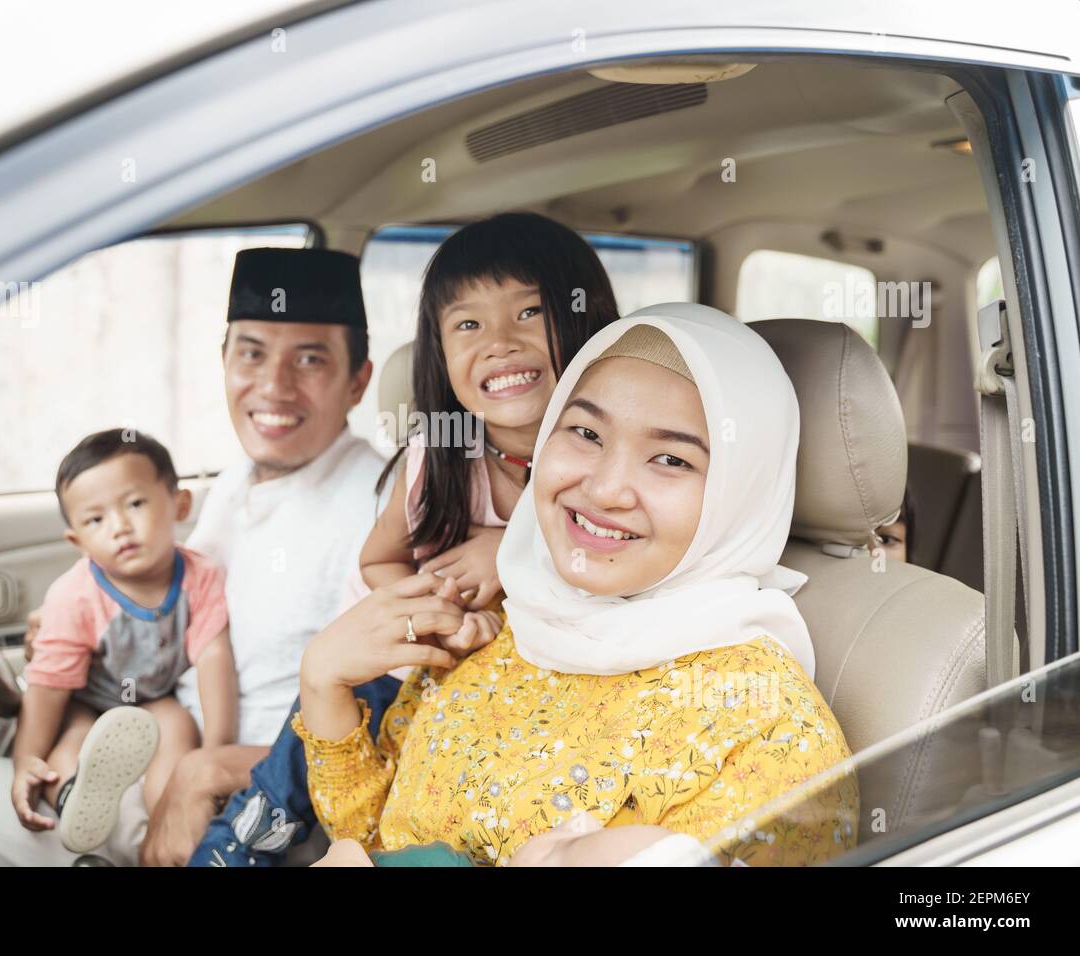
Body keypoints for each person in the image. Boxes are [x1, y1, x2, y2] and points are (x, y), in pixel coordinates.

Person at [0, 246, 388, 867]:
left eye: (309, 359)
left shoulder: (380, 512)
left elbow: (389, 730)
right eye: (251, 353)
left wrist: (206, 770)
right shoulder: (244, 476)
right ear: (224, 361)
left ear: (358, 380)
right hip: (126, 714)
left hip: (210, 796)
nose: (273, 385)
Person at [294, 304, 859, 866]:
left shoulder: (770, 733)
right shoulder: (501, 615)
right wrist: (322, 683)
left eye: (670, 459)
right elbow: (379, 842)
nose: (606, 488)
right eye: (586, 432)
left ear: (742, 490)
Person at [187, 212, 621, 866]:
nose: (499, 342)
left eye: (529, 313)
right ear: (440, 355)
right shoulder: (433, 462)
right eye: (468, 324)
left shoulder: (610, 469)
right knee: (267, 804)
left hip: (500, 698)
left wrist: (509, 551)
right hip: (391, 671)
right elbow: (378, 561)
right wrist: (433, 608)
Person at [11, 429, 236, 854]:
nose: (120, 527)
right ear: (78, 542)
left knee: (176, 725)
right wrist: (25, 759)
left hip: (152, 696)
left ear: (180, 504)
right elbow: (48, 685)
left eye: (135, 504)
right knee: (74, 735)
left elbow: (214, 658)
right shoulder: (74, 596)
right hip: (87, 697)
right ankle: (72, 794)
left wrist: (217, 751)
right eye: (95, 520)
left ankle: (167, 815)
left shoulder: (200, 577)